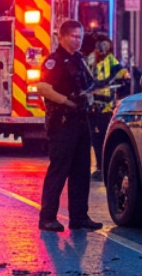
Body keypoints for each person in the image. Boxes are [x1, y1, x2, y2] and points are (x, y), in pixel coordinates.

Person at [36, 19, 101, 232]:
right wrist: (66, 101)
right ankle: (47, 218)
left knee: (81, 171)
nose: (77, 40)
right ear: (61, 37)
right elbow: (43, 87)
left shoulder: (79, 60)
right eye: (73, 36)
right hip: (62, 121)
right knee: (59, 169)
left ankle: (79, 217)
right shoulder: (54, 61)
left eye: (80, 36)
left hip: (81, 120)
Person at [88, 36, 130, 174]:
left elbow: (122, 71)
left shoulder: (111, 60)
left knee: (105, 137)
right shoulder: (91, 60)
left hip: (106, 106)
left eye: (107, 46)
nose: (104, 49)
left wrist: (126, 76)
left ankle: (104, 167)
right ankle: (100, 167)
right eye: (102, 45)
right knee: (96, 139)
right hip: (93, 105)